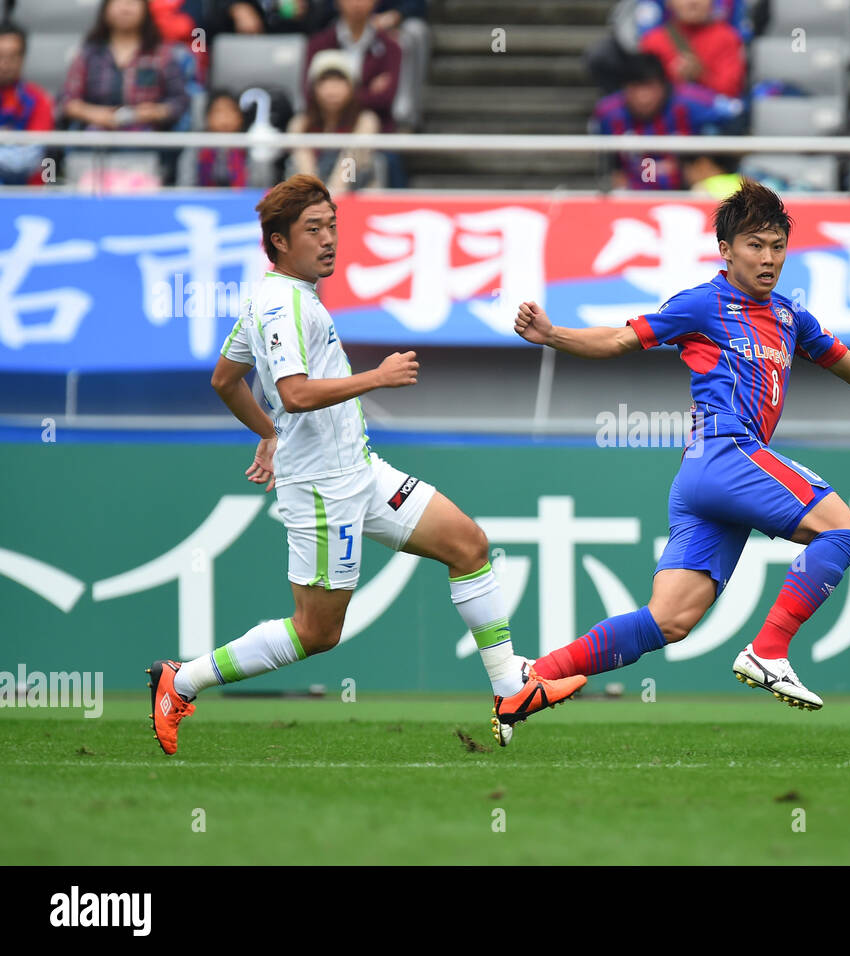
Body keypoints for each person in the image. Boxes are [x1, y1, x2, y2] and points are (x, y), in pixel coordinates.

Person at [512, 182, 850, 709]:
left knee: (669, 621)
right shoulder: (702, 303)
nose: (768, 259)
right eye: (754, 245)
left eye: (778, 246)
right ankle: (769, 650)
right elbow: (621, 339)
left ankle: (537, 675)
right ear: (726, 250)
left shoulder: (790, 317)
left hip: (708, 477)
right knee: (844, 531)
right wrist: (553, 334)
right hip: (723, 453)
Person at [148, 175, 586, 757]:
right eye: (313, 230)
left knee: (467, 544)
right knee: (316, 632)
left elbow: (226, 379)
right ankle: (182, 682)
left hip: (359, 469)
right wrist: (374, 379)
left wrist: (267, 431)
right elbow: (296, 391)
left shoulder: (278, 295)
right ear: (278, 242)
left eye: (332, 226)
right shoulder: (280, 306)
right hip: (324, 488)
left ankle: (510, 687)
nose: (329, 239)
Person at [590, 53, 742, 190]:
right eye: (635, 88)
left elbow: (737, 113)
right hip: (629, 197)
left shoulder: (691, 100)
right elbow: (605, 159)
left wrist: (711, 161)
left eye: (650, 87)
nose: (643, 98)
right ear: (624, 89)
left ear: (663, 85)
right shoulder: (608, 113)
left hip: (689, 192)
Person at [59, 0, 189, 133]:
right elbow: (68, 100)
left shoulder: (162, 55)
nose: (125, 8)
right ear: (106, 9)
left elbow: (179, 101)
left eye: (132, 3)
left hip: (147, 137)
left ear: (145, 10)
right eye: (118, 2)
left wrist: (156, 112)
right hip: (94, 134)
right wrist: (94, 113)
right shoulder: (87, 55)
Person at [287, 50, 382, 193]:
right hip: (310, 199)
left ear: (352, 87)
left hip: (354, 196)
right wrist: (317, 197)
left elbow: (351, 161)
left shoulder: (366, 121)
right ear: (314, 88)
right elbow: (304, 169)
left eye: (339, 80)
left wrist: (334, 195)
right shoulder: (300, 123)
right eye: (325, 81)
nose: (332, 89)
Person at [304, 0, 401, 132]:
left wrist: (335, 94)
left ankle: (350, 154)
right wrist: (366, 92)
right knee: (298, 124)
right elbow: (308, 93)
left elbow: (385, 98)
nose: (357, 3)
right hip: (323, 126)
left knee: (368, 121)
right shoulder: (317, 44)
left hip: (376, 133)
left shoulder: (390, 47)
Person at [639, 0, 745, 99]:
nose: (693, 2)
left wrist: (700, 76)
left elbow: (731, 93)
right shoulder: (652, 41)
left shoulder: (727, 37)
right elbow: (643, 96)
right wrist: (672, 79)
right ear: (668, 2)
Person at [176, 89, 275, 187]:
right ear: (208, 117)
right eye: (219, 112)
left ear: (240, 118)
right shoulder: (196, 148)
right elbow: (185, 185)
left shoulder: (249, 146)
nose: (225, 118)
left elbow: (262, 185)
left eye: (231, 111)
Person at [0, 22, 53, 186]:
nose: (5, 64)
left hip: (29, 194)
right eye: (0, 55)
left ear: (23, 58)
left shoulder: (38, 99)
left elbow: (29, 159)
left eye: (13, 56)